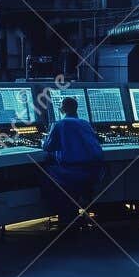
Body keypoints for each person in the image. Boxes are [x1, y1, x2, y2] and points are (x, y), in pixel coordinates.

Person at [40, 95, 103, 229]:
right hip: (91, 172)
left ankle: (64, 215)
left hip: (71, 172)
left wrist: (43, 141)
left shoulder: (59, 124)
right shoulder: (85, 123)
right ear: (76, 109)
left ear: (62, 109)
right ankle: (72, 211)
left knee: (45, 171)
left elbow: (48, 147)